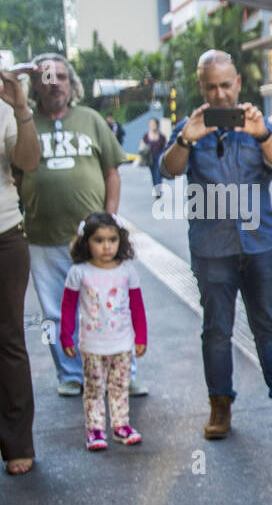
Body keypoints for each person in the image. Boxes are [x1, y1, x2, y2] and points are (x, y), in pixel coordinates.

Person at [159, 49, 272, 440]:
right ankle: (220, 406)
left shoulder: (256, 124)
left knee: (266, 326)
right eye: (211, 87)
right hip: (212, 249)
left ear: (238, 84)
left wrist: (261, 133)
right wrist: (185, 138)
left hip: (259, 245)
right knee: (216, 329)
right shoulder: (190, 127)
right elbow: (167, 169)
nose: (220, 95)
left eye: (226, 85)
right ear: (201, 87)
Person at [19, 53, 140, 398]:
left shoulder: (90, 119)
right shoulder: (23, 122)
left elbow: (112, 173)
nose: (55, 82)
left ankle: (124, 371)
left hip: (94, 238)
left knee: (111, 303)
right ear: (35, 85)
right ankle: (72, 374)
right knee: (57, 309)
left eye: (61, 76)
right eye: (47, 77)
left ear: (72, 84)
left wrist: (111, 220)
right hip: (43, 236)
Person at [60, 214, 147, 450]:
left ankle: (121, 425)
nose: (107, 246)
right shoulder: (79, 272)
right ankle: (95, 429)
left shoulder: (127, 271)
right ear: (85, 242)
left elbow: (137, 306)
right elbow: (67, 307)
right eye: (99, 240)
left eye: (112, 239)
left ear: (121, 241)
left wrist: (141, 337)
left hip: (122, 343)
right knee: (94, 388)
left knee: (120, 386)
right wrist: (65, 335)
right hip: (92, 344)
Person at [0, 63, 40, 475]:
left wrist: (21, 108)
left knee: (8, 336)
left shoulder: (6, 108)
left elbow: (28, 161)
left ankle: (17, 442)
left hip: (4, 235)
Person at [139, 117, 166, 193]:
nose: (152, 125)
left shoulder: (162, 136)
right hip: (150, 158)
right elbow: (141, 146)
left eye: (153, 124)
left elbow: (165, 147)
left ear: (157, 125)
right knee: (154, 174)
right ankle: (156, 187)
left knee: (158, 173)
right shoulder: (146, 136)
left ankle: (158, 189)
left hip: (159, 157)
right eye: (150, 124)